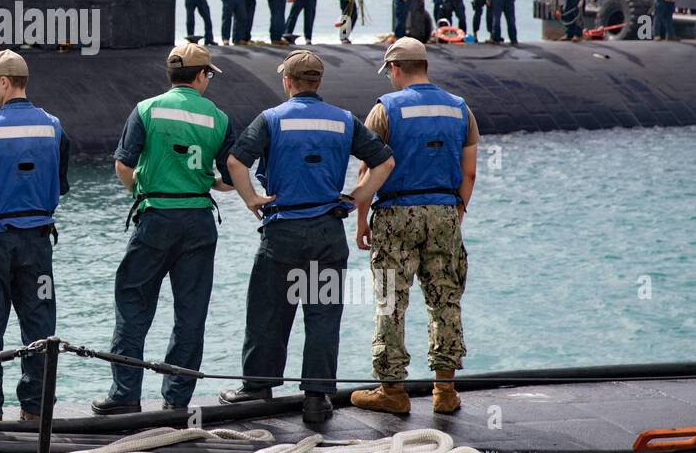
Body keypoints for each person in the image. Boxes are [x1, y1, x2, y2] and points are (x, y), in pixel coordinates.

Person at [221, 50, 394, 423]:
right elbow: (385, 162)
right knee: (322, 315)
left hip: (283, 231)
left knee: (269, 311)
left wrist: (251, 198)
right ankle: (316, 399)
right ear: (318, 82)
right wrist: (357, 197)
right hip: (327, 232)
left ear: (288, 82)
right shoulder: (345, 120)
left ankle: (258, 387)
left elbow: (235, 162)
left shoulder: (271, 119)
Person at [92, 43, 236, 414]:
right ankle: (177, 400)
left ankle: (124, 396)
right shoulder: (218, 117)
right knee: (190, 312)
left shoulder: (146, 109)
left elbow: (123, 166)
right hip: (199, 220)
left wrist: (141, 193)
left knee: (133, 304)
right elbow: (231, 174)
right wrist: (212, 183)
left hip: (155, 216)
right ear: (202, 75)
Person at [350, 38, 477, 416]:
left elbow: (368, 170)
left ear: (395, 69)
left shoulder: (385, 109)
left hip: (394, 213)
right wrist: (456, 215)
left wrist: (361, 220)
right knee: (445, 301)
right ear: (425, 65)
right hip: (444, 210)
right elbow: (468, 172)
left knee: (391, 300)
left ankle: (392, 389)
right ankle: (444, 390)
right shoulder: (460, 109)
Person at [0, 50, 70, 422]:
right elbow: (60, 184)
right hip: (37, 243)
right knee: (39, 325)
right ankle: (37, 408)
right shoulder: (54, 126)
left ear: (4, 82)